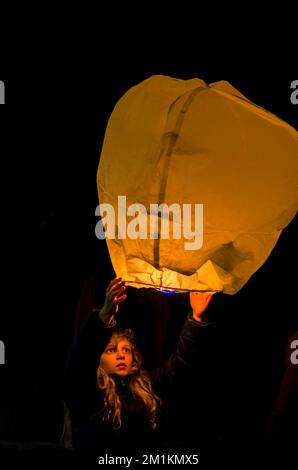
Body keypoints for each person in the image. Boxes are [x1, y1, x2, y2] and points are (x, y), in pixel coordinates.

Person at [64, 277, 214, 453]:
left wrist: (195, 318)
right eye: (111, 350)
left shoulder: (147, 385)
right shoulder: (88, 391)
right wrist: (103, 317)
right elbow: (80, 360)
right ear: (99, 358)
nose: (121, 355)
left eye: (126, 350)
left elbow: (180, 364)